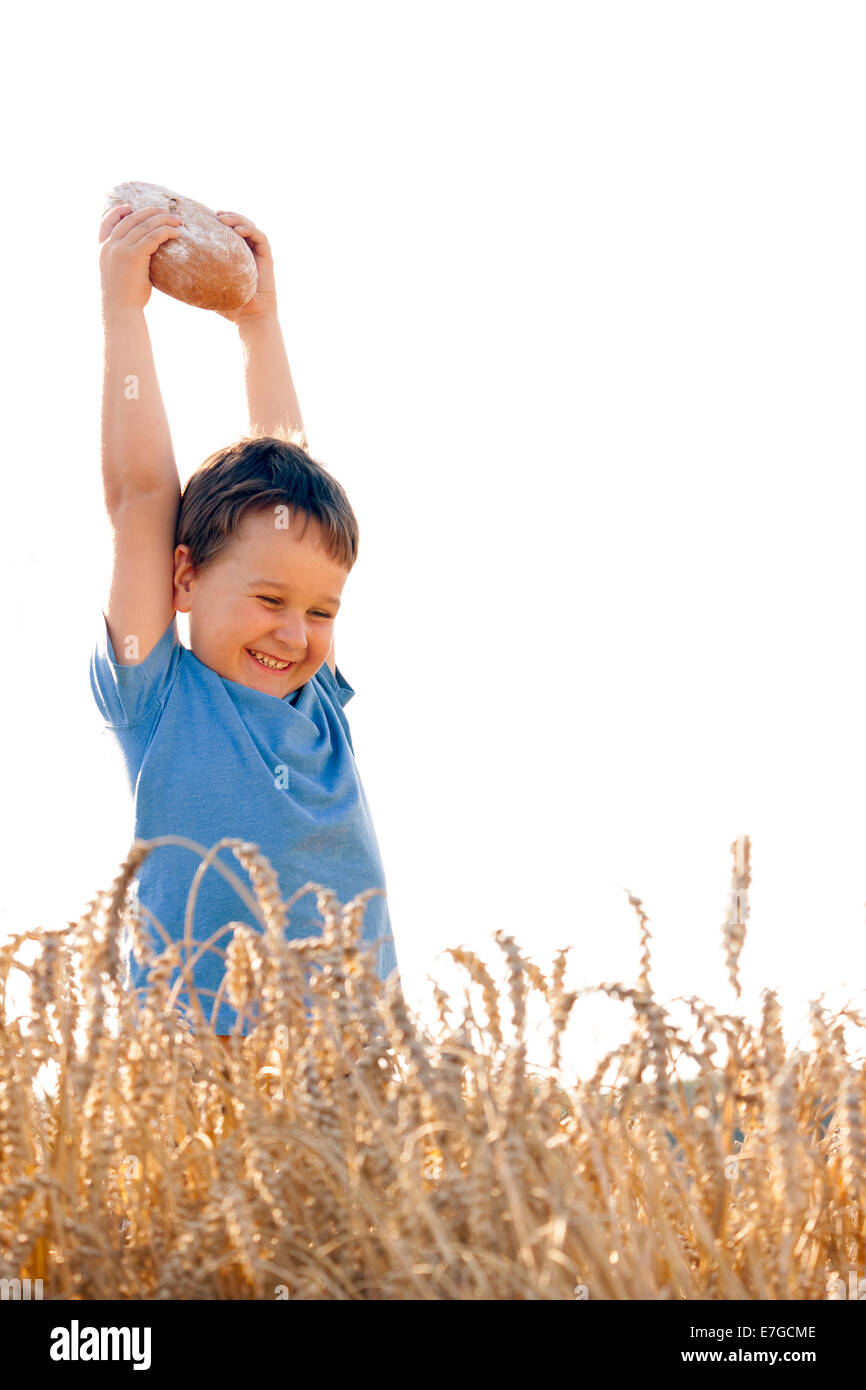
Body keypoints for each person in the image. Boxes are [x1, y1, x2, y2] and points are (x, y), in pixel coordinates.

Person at [91, 198, 400, 1051]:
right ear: (182, 578)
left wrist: (258, 325)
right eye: (269, 603)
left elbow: (291, 484)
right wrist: (124, 312)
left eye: (322, 610)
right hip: (201, 1085)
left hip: (350, 1092)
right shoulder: (157, 698)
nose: (296, 634)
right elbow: (143, 497)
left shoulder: (320, 704)